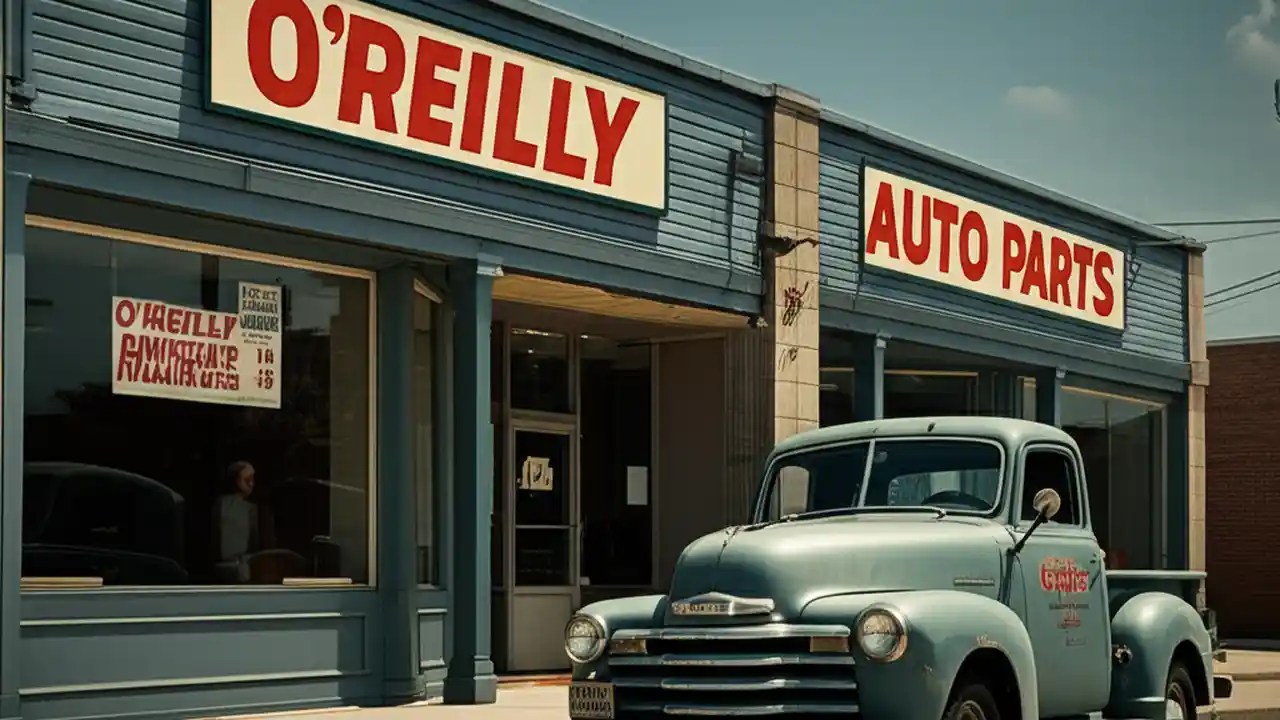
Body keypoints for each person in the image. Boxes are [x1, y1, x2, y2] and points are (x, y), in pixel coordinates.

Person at [214, 461, 260, 583]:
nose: (251, 484)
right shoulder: (220, 505)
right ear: (235, 480)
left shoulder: (251, 508)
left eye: (252, 479)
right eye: (247, 479)